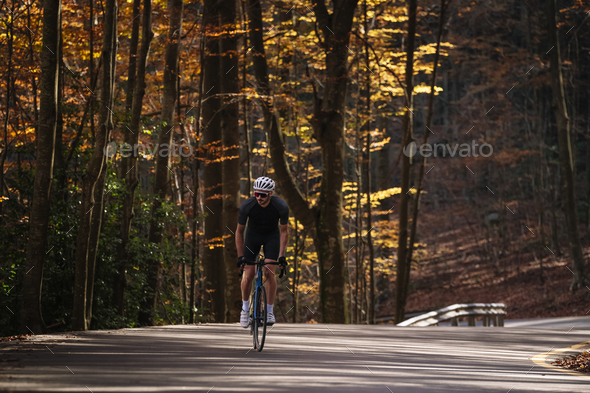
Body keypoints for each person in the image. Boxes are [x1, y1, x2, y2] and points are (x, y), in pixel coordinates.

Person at [236, 176, 289, 328]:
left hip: (271, 237)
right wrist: (240, 256)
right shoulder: (247, 206)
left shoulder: (281, 206)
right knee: (249, 273)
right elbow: (239, 232)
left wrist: (281, 256)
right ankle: (245, 309)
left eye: (263, 195)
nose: (259, 198)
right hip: (252, 236)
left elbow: (284, 232)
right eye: (256, 194)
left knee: (269, 271)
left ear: (270, 193)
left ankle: (269, 311)